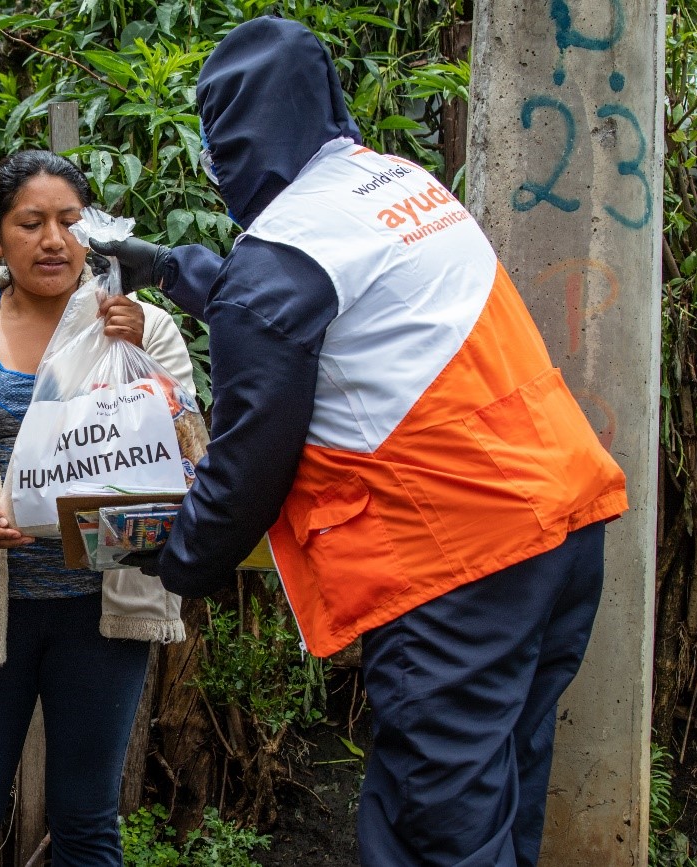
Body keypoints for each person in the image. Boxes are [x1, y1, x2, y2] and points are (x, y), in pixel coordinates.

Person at [93, 16, 629, 867]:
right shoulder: (393, 185)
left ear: (230, 144)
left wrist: (175, 556)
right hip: (557, 527)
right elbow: (297, 303)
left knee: (434, 837)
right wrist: (166, 265)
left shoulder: (281, 258)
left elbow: (245, 467)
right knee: (503, 802)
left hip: (455, 569)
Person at [0, 150, 192, 864]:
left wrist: (148, 367)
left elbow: (194, 454)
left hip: (102, 610)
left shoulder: (144, 329)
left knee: (86, 819)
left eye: (70, 221)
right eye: (30, 222)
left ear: (95, 232)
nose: (53, 239)